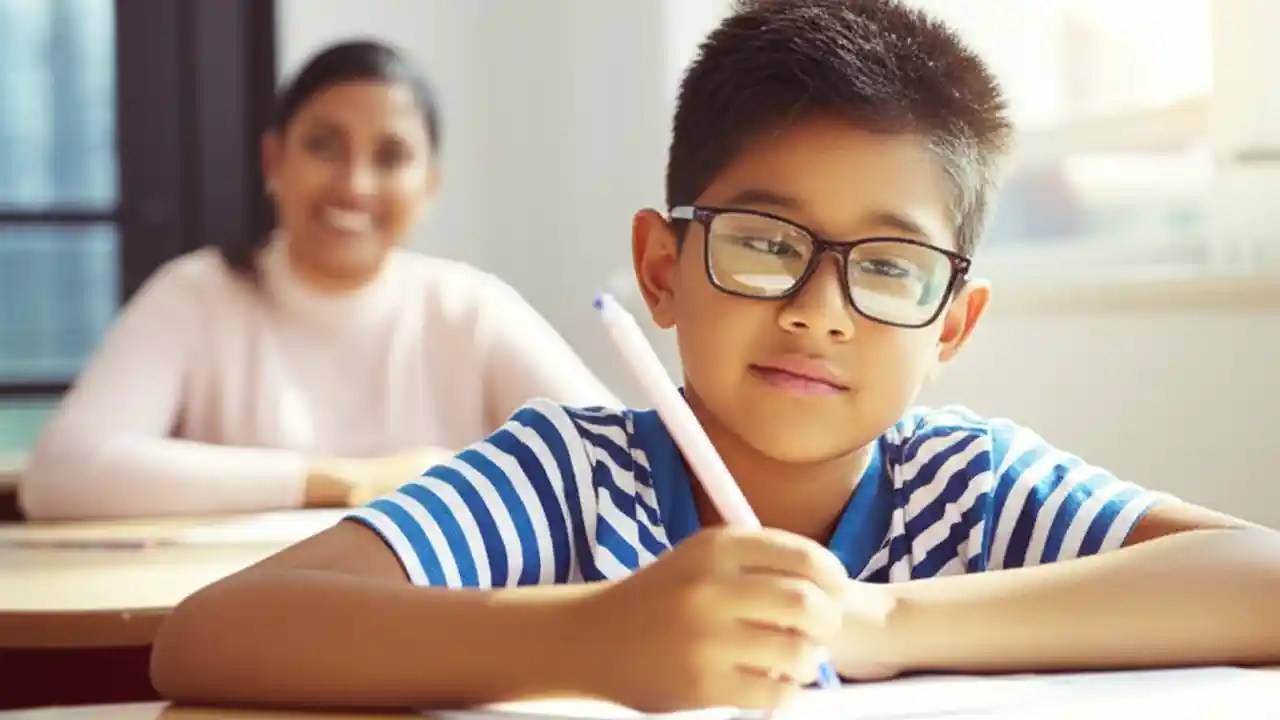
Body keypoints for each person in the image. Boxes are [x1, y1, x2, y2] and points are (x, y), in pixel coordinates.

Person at [149, 1, 1280, 713]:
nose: (817, 311)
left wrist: (876, 624)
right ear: (659, 269)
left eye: (887, 268)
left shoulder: (966, 487)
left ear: (951, 325)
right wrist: (593, 638)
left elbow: (1259, 581)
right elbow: (210, 639)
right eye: (762, 244)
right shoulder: (568, 479)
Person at [18, 40, 617, 520]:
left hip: (430, 636)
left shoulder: (470, 309)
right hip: (241, 637)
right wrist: (339, 482)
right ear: (274, 161)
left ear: (430, 185)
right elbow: (61, 476)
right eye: (325, 147)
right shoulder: (196, 294)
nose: (354, 185)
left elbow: (612, 462)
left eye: (390, 157)